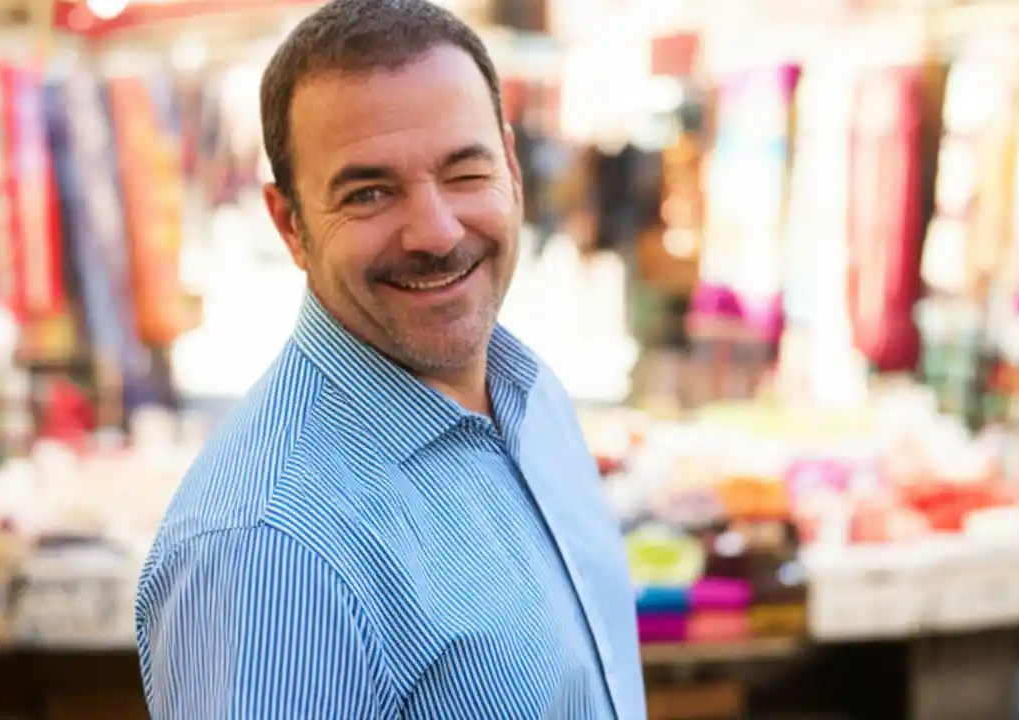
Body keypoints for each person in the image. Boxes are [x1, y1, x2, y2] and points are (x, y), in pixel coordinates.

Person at [134, 0, 645, 717]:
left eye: (465, 173)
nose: (435, 232)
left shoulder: (531, 397)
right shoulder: (273, 549)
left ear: (511, 165)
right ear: (290, 224)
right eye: (369, 192)